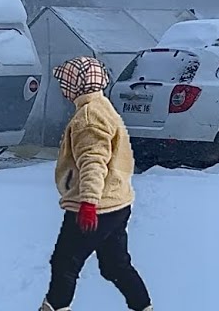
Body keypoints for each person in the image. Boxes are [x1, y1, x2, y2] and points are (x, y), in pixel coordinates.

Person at [39, 56, 152, 311]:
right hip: (116, 203)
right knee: (114, 265)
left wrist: (88, 203)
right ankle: (144, 307)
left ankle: (54, 307)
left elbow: (94, 161)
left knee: (64, 264)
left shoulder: (89, 117)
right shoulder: (102, 105)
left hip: (95, 207)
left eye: (65, 82)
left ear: (77, 84)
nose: (62, 88)